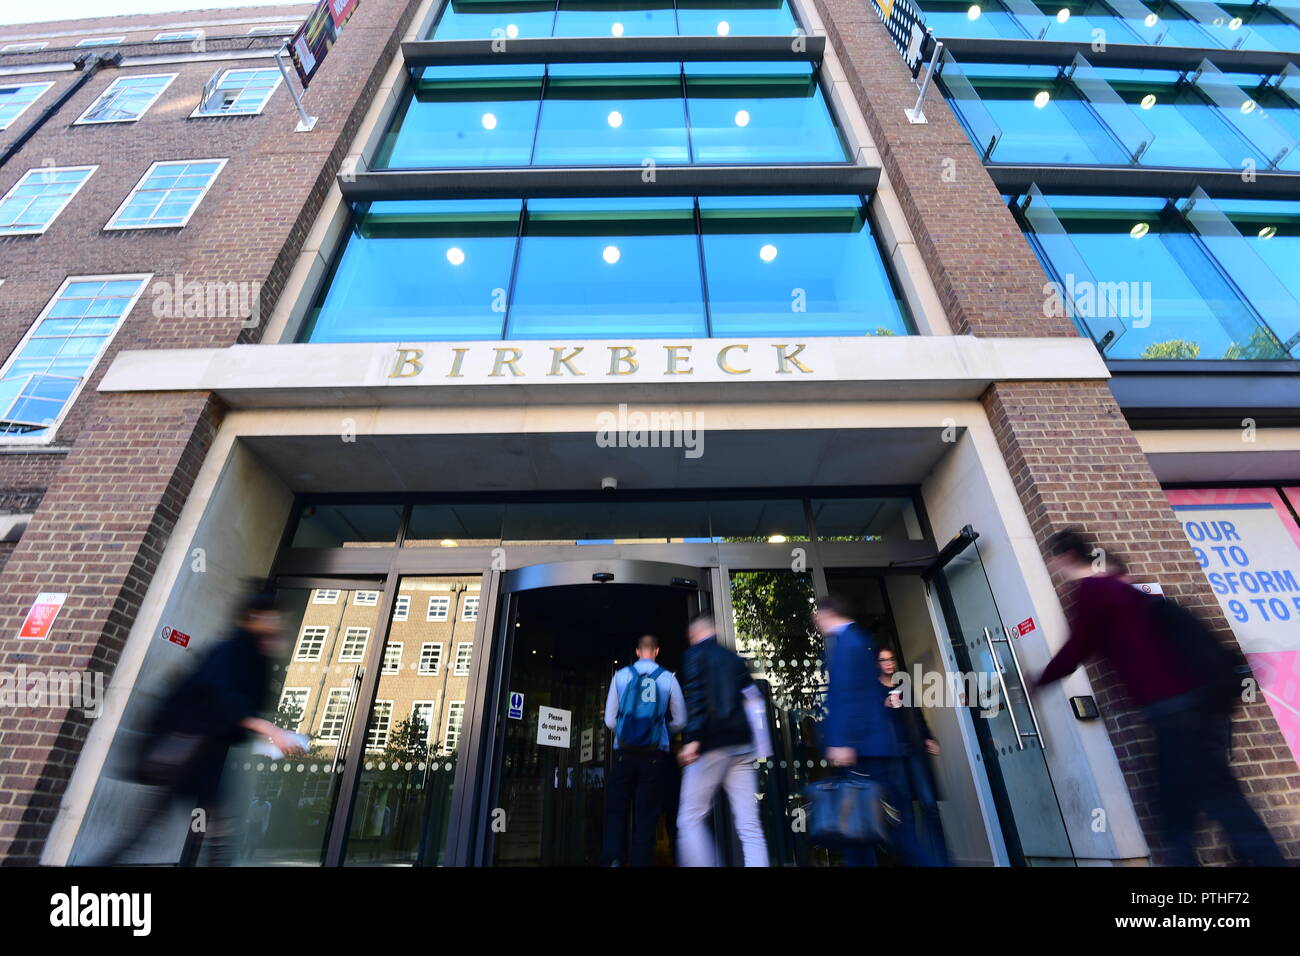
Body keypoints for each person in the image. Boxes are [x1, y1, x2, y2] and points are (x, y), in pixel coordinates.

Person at [1033, 528, 1285, 867]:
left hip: (1172, 710)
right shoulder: (1130, 592)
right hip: (1202, 704)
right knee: (1197, 797)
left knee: (1193, 802)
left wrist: (1037, 682)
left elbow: (1078, 647)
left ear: (1063, 558)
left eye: (1055, 559)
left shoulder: (1094, 591)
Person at [93, 588, 306, 866]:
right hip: (187, 752)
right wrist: (272, 731)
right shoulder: (232, 649)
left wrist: (269, 652)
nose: (277, 623)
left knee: (213, 835)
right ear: (253, 616)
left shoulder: (254, 654)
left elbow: (253, 701)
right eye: (272, 617)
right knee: (158, 832)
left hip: (206, 757)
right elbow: (224, 699)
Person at [819, 594, 939, 867]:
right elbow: (868, 695)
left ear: (829, 614)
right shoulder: (860, 642)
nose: (817, 621)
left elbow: (844, 695)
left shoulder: (847, 644)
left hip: (863, 752)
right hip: (876, 749)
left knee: (859, 829)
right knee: (889, 829)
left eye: (819, 615)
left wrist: (841, 742)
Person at [676, 614, 768, 867]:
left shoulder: (694, 655)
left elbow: (696, 696)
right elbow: (754, 699)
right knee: (749, 825)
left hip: (712, 746)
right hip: (742, 747)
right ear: (714, 630)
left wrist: (693, 738)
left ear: (693, 634)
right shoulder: (733, 658)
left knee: (689, 819)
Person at [602, 633, 686, 867]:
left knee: (616, 811)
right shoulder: (668, 678)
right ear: (657, 652)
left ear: (638, 652)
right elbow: (680, 720)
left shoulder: (621, 675)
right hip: (654, 757)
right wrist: (659, 731)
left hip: (624, 754)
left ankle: (614, 860)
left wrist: (628, 732)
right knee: (646, 817)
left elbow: (610, 720)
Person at [878, 647, 951, 866]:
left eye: (891, 659)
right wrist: (885, 706)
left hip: (913, 750)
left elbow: (917, 714)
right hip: (893, 755)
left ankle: (942, 859)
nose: (889, 663)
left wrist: (928, 738)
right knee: (905, 812)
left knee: (929, 805)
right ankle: (916, 861)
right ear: (877, 664)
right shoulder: (874, 691)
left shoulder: (903, 684)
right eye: (884, 660)